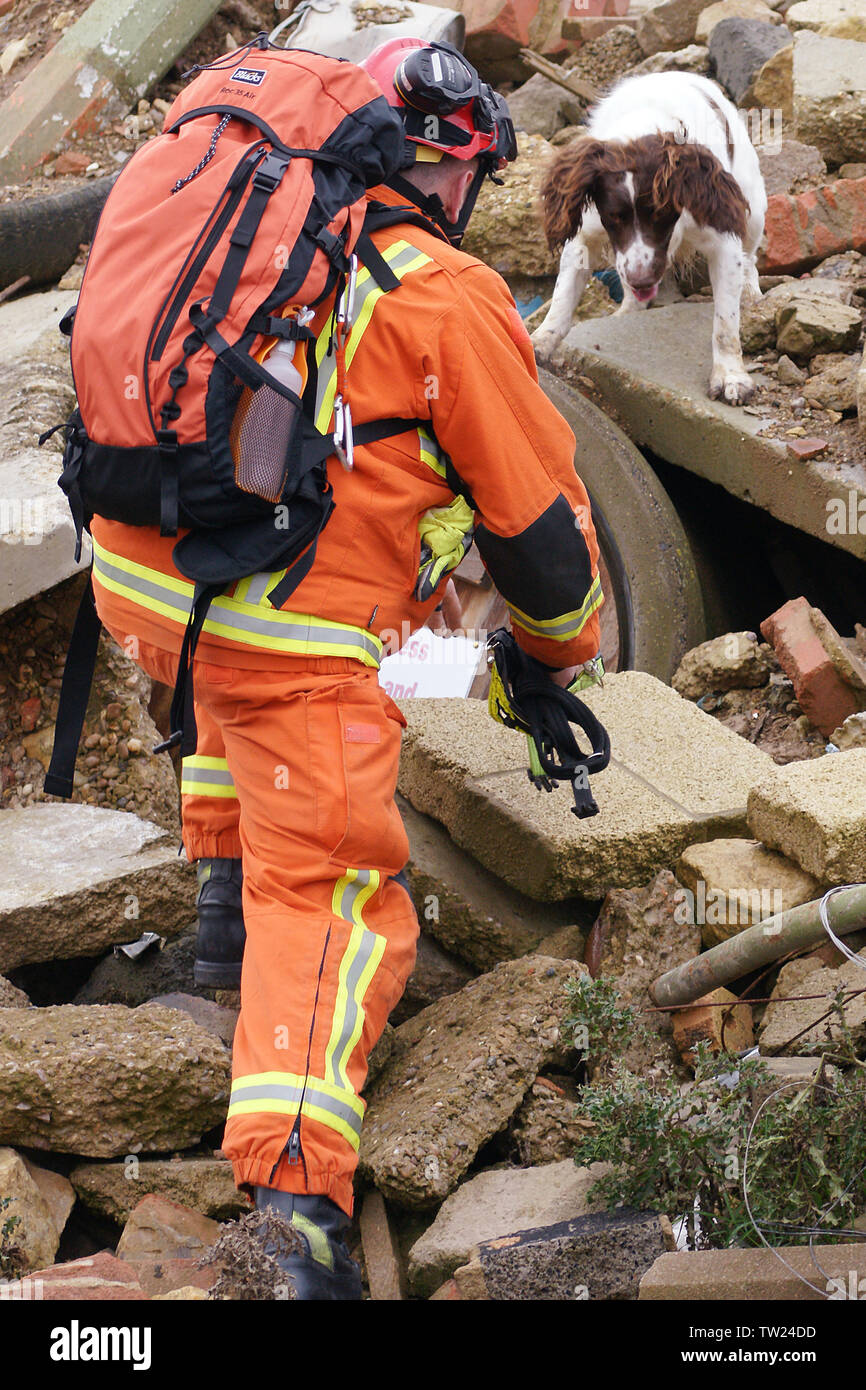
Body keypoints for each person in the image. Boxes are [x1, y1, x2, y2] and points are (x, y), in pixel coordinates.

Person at [87, 36, 603, 1299]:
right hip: (282, 633)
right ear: (456, 174)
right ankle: (294, 1213)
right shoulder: (439, 291)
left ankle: (218, 933)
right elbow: (541, 542)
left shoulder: (243, 223)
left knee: (225, 701)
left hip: (141, 582)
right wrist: (555, 655)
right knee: (326, 893)